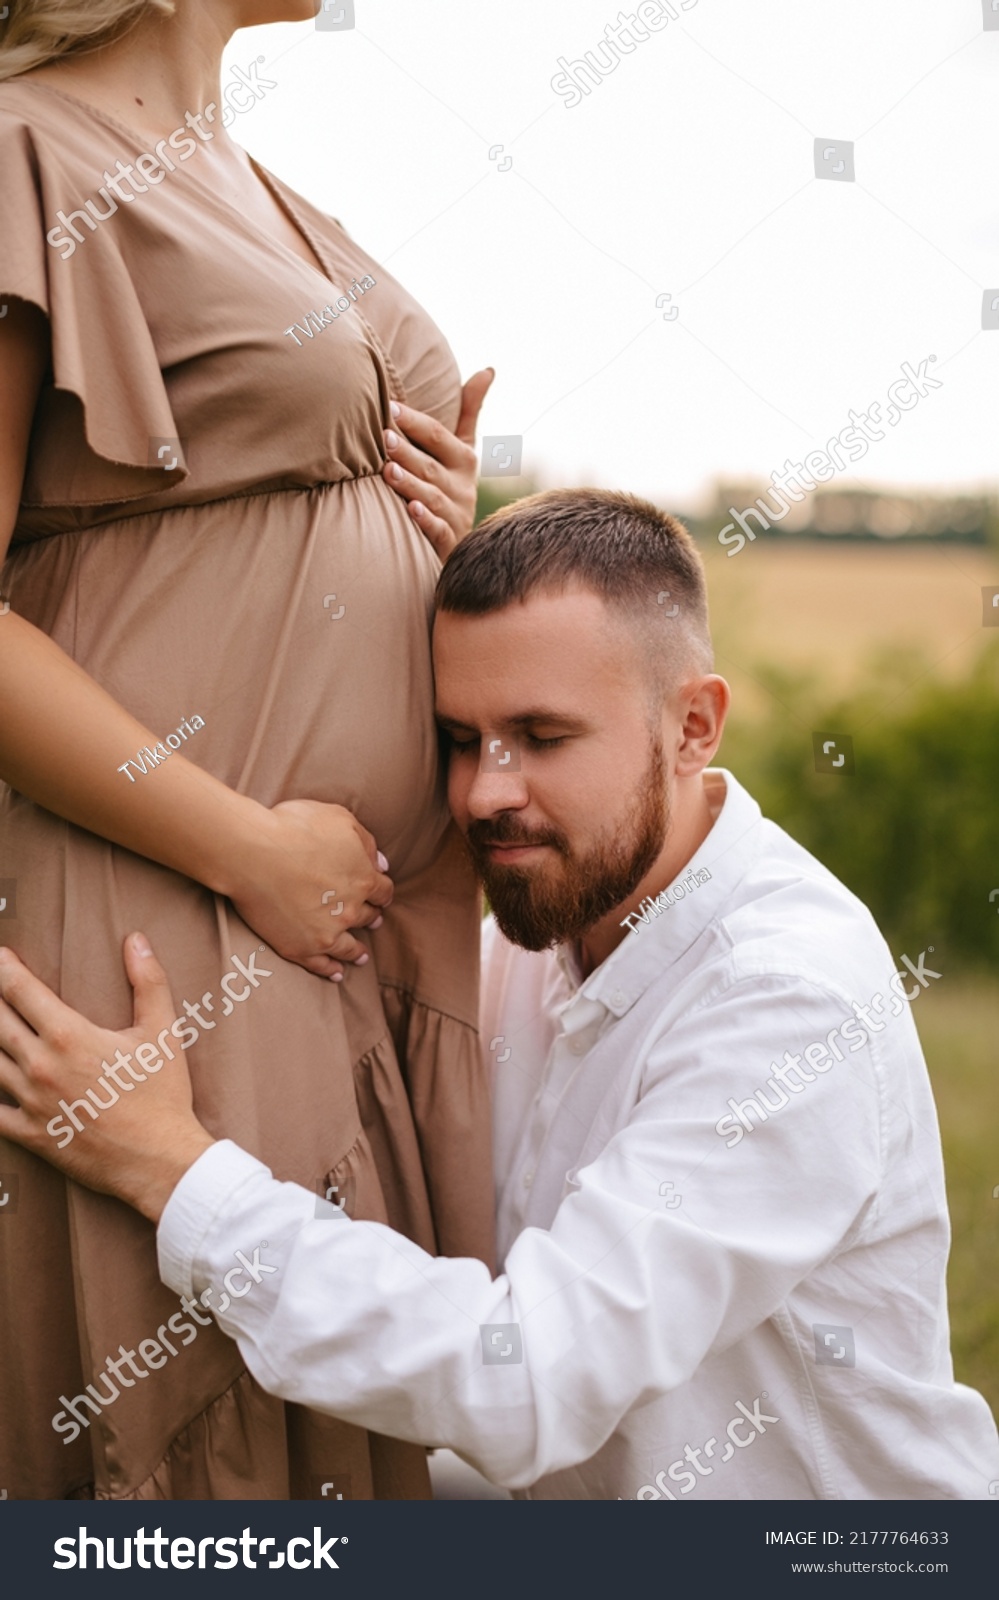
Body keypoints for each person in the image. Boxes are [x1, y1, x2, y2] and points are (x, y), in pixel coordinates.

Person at [2, 487, 998, 1500]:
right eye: (461, 738)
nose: (485, 792)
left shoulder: (789, 999)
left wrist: (172, 1168)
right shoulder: (541, 939)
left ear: (693, 725)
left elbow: (527, 1383)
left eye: (542, 735)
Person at [0, 0, 496, 1500]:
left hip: (329, 944)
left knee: (310, 1424)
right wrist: (245, 847)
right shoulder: (28, 154)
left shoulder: (247, 173)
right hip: (162, 900)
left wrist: (431, 528)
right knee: (184, 1437)